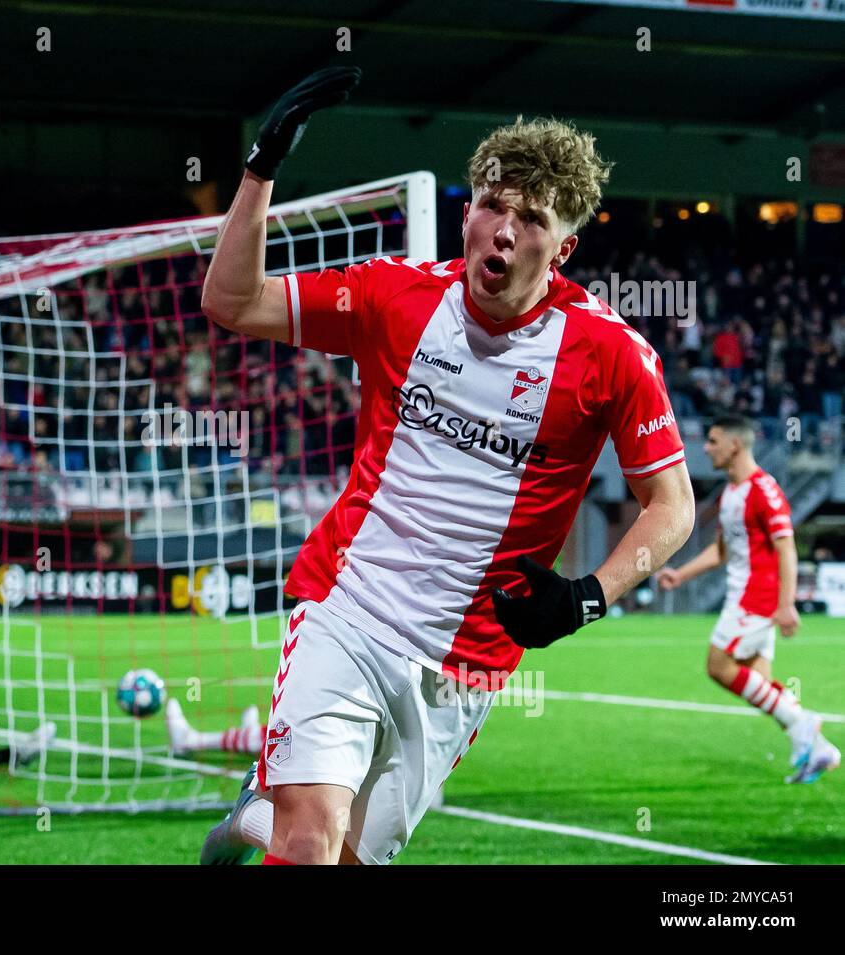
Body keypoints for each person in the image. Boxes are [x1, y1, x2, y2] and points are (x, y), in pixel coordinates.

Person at [198, 67, 695, 865]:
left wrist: (588, 598)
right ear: (469, 212)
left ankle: (249, 817)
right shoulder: (393, 297)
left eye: (529, 218)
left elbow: (670, 504)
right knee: (310, 838)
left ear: (563, 247)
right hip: (348, 606)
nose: (503, 229)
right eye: (493, 204)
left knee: (347, 855)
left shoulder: (612, 354)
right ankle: (273, 818)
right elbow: (233, 302)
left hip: (466, 662)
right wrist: (260, 170)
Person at [656, 416, 839, 783]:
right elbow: (722, 551)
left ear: (735, 445)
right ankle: (818, 747)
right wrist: (682, 573)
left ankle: (804, 724)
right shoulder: (731, 493)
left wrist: (786, 604)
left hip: (757, 597)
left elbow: (786, 547)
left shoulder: (764, 490)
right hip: (744, 596)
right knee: (759, 682)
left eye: (712, 441)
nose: (706, 448)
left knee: (718, 665)